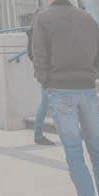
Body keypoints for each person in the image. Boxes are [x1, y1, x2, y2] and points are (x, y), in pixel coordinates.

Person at [32, 0, 99, 196]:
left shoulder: (43, 18)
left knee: (73, 150)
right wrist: (94, 74)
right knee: (98, 148)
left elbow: (39, 55)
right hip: (87, 88)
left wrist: (46, 81)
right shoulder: (87, 17)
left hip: (60, 90)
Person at [26, 10, 55, 146]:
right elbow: (32, 55)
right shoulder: (36, 34)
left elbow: (30, 55)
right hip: (46, 73)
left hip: (46, 72)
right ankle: (38, 135)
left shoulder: (35, 33)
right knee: (45, 104)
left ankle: (39, 134)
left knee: (48, 103)